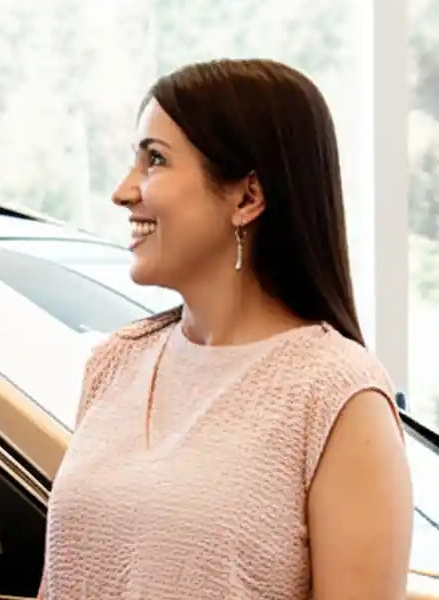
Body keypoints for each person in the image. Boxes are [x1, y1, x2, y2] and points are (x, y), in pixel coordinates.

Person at [40, 59, 413, 599]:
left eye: (155, 161)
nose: (123, 191)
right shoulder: (116, 362)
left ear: (247, 198)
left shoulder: (337, 395)